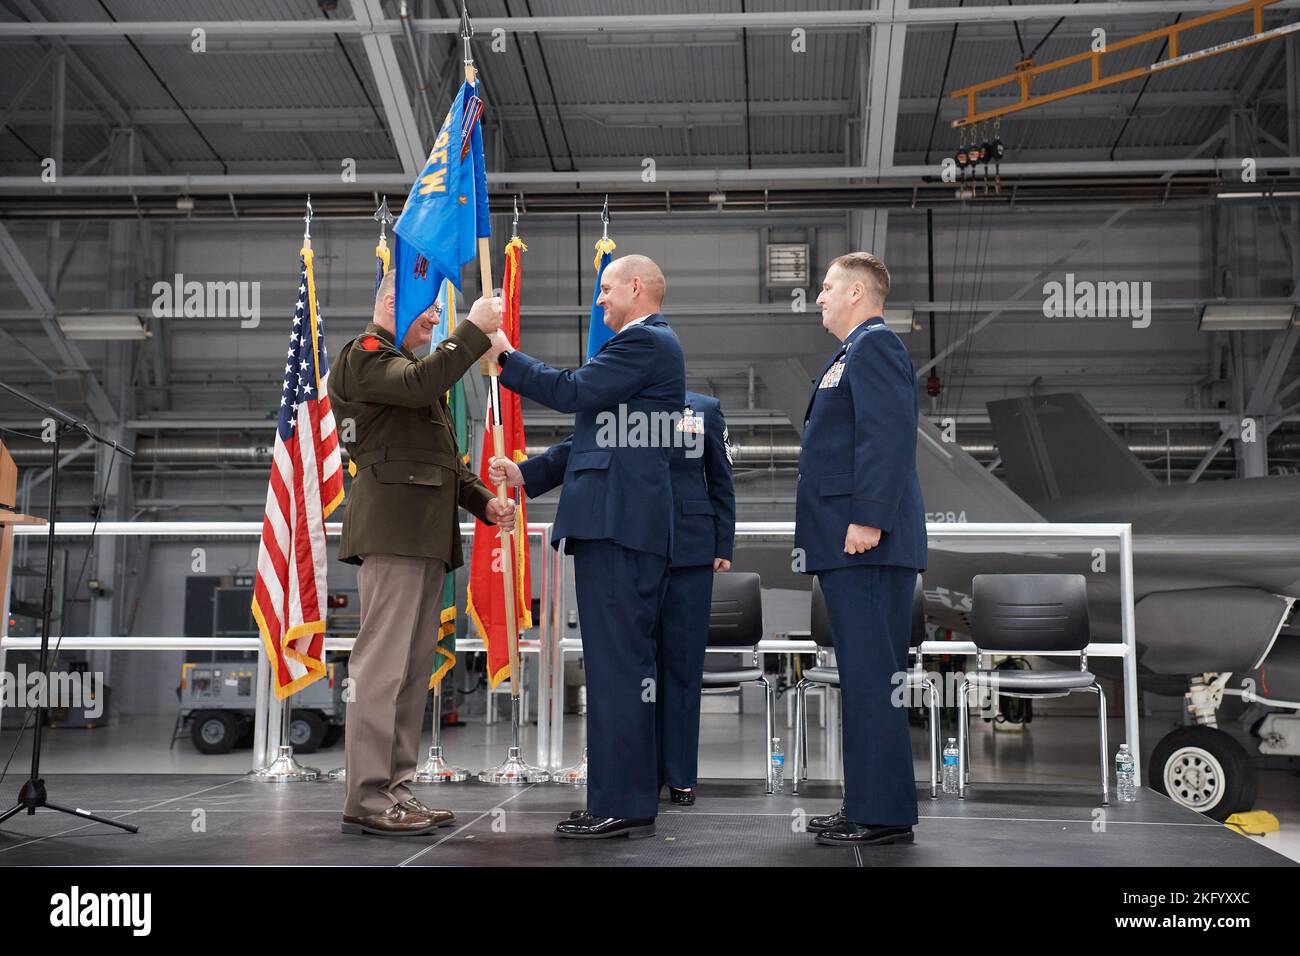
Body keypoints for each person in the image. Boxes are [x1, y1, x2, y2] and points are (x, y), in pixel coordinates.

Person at [484, 254, 685, 839]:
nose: (599, 300)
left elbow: (572, 392)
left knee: (618, 667)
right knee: (616, 666)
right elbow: (596, 433)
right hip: (616, 525)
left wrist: (503, 355)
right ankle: (618, 797)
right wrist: (530, 475)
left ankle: (621, 803)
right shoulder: (640, 353)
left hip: (620, 527)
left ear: (637, 287)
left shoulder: (645, 343)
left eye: (605, 289)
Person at [328, 272, 514, 837]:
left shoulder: (408, 371)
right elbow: (416, 385)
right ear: (391, 302)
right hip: (394, 533)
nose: (436, 318)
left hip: (425, 536)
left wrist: (483, 502)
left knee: (409, 673)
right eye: (428, 309)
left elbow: (443, 461)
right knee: (381, 671)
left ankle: (396, 789)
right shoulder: (365, 357)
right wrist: (474, 330)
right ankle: (365, 795)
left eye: (441, 312)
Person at [794, 252, 927, 848]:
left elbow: (888, 435)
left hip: (868, 545)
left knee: (874, 680)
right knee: (865, 679)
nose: (818, 297)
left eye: (826, 288)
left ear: (856, 293)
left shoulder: (875, 347)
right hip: (849, 545)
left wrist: (869, 518)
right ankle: (868, 804)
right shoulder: (850, 354)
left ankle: (882, 814)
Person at [656, 389, 735, 806]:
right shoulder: (627, 403)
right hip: (639, 545)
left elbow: (720, 476)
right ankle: (642, 771)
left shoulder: (703, 408)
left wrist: (723, 543)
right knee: (641, 668)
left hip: (691, 548)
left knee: (684, 665)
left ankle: (681, 773)